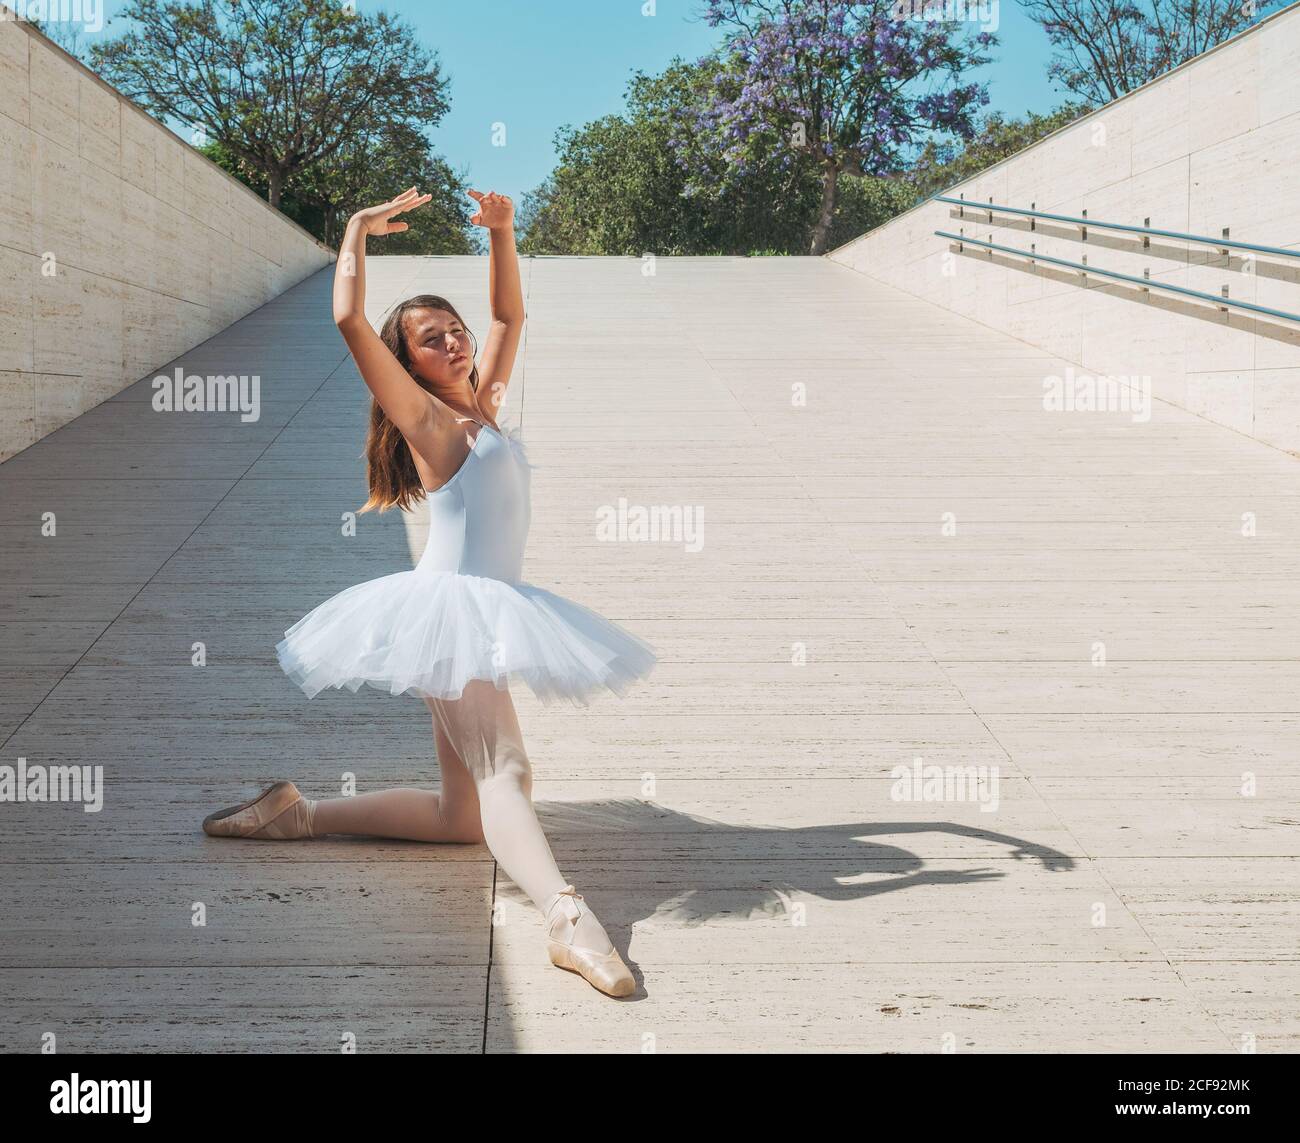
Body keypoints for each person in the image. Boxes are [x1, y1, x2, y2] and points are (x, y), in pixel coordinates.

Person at [202, 187, 657, 999]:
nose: (453, 339)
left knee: (462, 818)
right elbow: (348, 320)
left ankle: (296, 813)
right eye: (430, 337)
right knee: (506, 774)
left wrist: (504, 232)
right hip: (452, 611)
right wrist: (354, 233)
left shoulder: (481, 407)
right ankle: (565, 916)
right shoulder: (426, 422)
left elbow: (512, 319)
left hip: (484, 611)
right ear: (407, 365)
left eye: (453, 328)